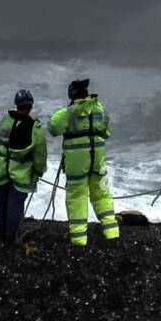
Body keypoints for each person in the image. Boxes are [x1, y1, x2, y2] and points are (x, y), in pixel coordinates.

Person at [47, 78, 119, 246]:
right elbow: (106, 132)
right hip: (99, 161)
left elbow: (52, 128)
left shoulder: (68, 112)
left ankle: (79, 239)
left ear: (71, 96)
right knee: (102, 194)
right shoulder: (99, 109)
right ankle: (112, 232)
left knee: (77, 196)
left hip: (77, 164)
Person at [0, 89, 47, 245]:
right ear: (30, 106)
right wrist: (39, 171)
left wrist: (2, 152)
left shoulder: (6, 121)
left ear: (16, 105)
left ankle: (2, 232)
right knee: (15, 204)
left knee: (0, 201)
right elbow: (40, 155)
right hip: (21, 174)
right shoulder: (36, 129)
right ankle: (10, 237)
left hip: (2, 169)